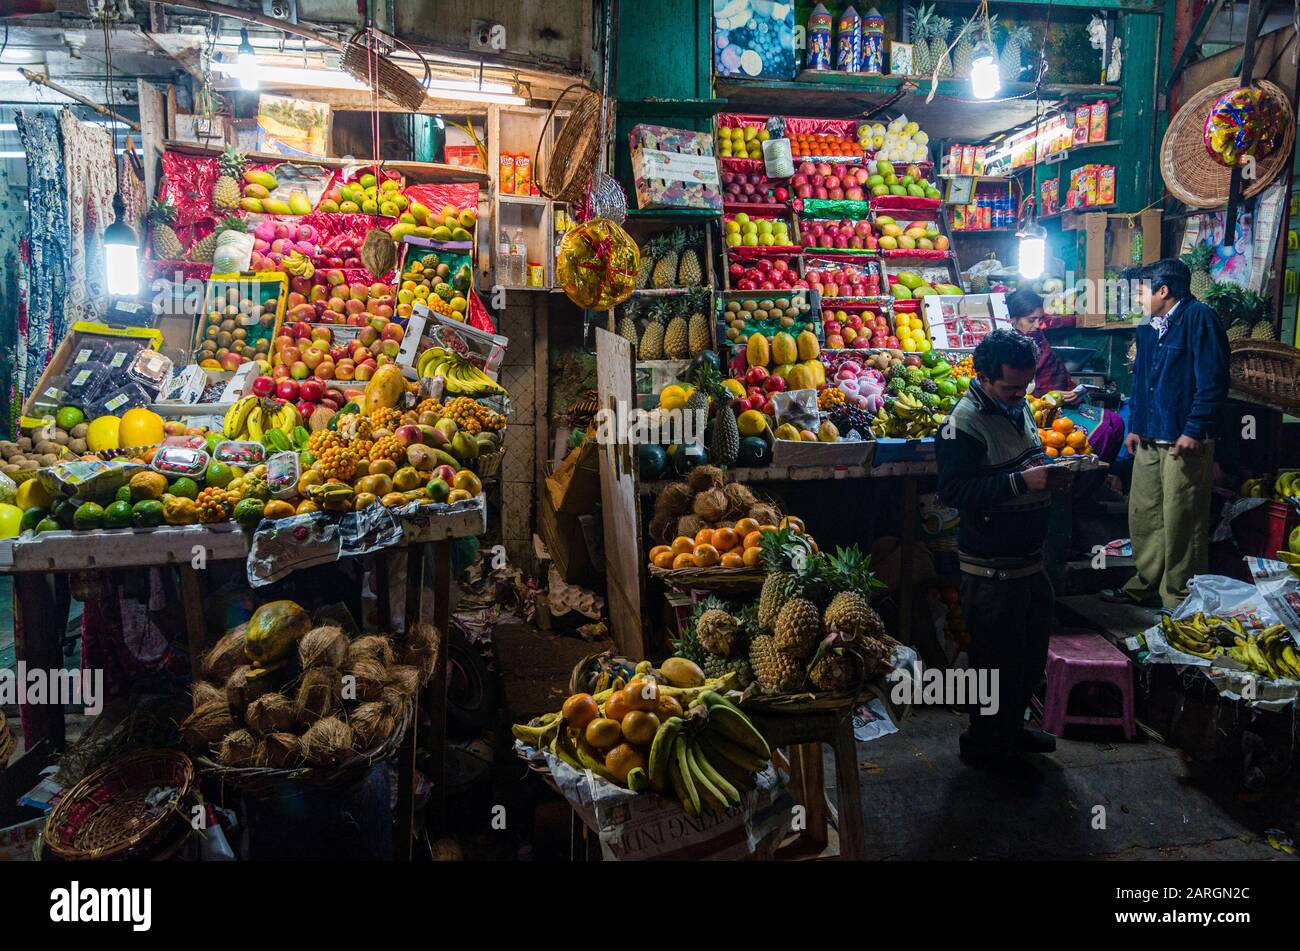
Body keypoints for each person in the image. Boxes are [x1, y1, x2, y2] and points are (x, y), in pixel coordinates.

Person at [936, 329, 1073, 766]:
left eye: (1025, 386)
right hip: (991, 567)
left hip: (1029, 561)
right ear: (984, 377)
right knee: (993, 663)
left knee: (1028, 656)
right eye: (1011, 387)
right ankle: (985, 748)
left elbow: (1022, 461)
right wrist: (1021, 482)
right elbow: (954, 491)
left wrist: (1052, 471)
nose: (1021, 394)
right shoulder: (962, 424)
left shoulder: (1017, 407)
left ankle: (1012, 731)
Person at [1101, 259, 1229, 609]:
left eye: (1140, 291)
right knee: (1144, 513)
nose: (1136, 298)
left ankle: (1178, 597)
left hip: (1183, 440)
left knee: (1181, 518)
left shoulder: (1199, 318)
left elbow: (1213, 380)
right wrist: (1134, 425)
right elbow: (1140, 381)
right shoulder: (1147, 324)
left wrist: (1194, 429)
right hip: (1148, 436)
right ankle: (1145, 583)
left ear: (1163, 291)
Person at [1005, 288, 1124, 467]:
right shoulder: (1010, 346)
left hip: (1066, 400)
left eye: (1040, 319)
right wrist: (1053, 395)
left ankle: (1103, 476)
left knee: (1116, 421)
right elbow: (1020, 390)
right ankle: (1082, 488)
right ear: (1012, 320)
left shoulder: (1037, 337)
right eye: (1031, 320)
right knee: (1103, 433)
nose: (1038, 325)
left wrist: (1073, 391)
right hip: (1043, 411)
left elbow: (1055, 372)